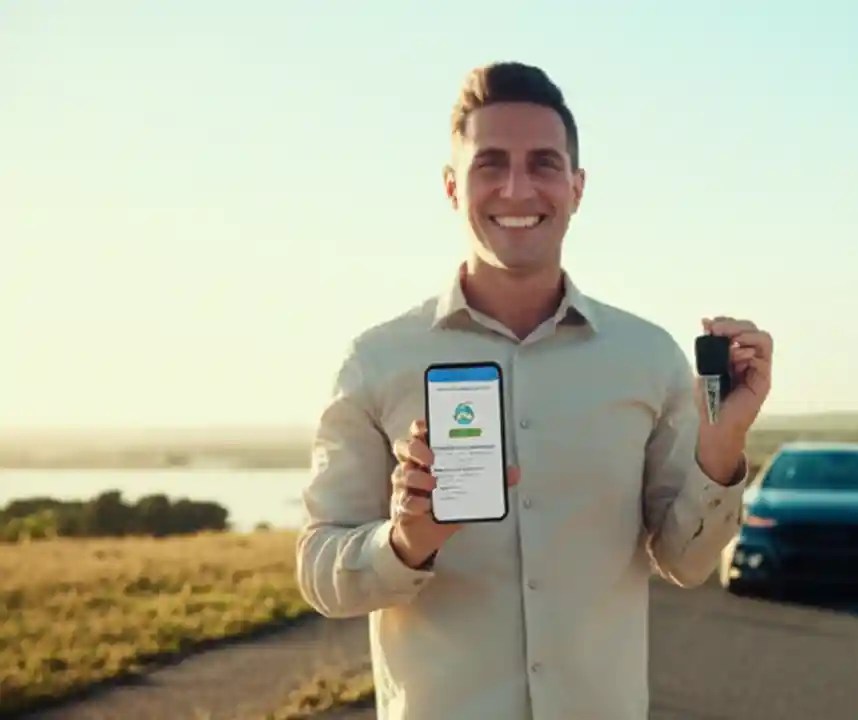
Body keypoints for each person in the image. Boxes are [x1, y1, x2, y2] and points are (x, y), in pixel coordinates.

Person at [295, 60, 774, 720]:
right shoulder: (377, 361)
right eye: (490, 163)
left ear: (576, 187)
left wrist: (721, 448)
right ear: (451, 187)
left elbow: (687, 563)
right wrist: (405, 542)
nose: (517, 188)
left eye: (543, 164)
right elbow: (319, 571)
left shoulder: (646, 357)